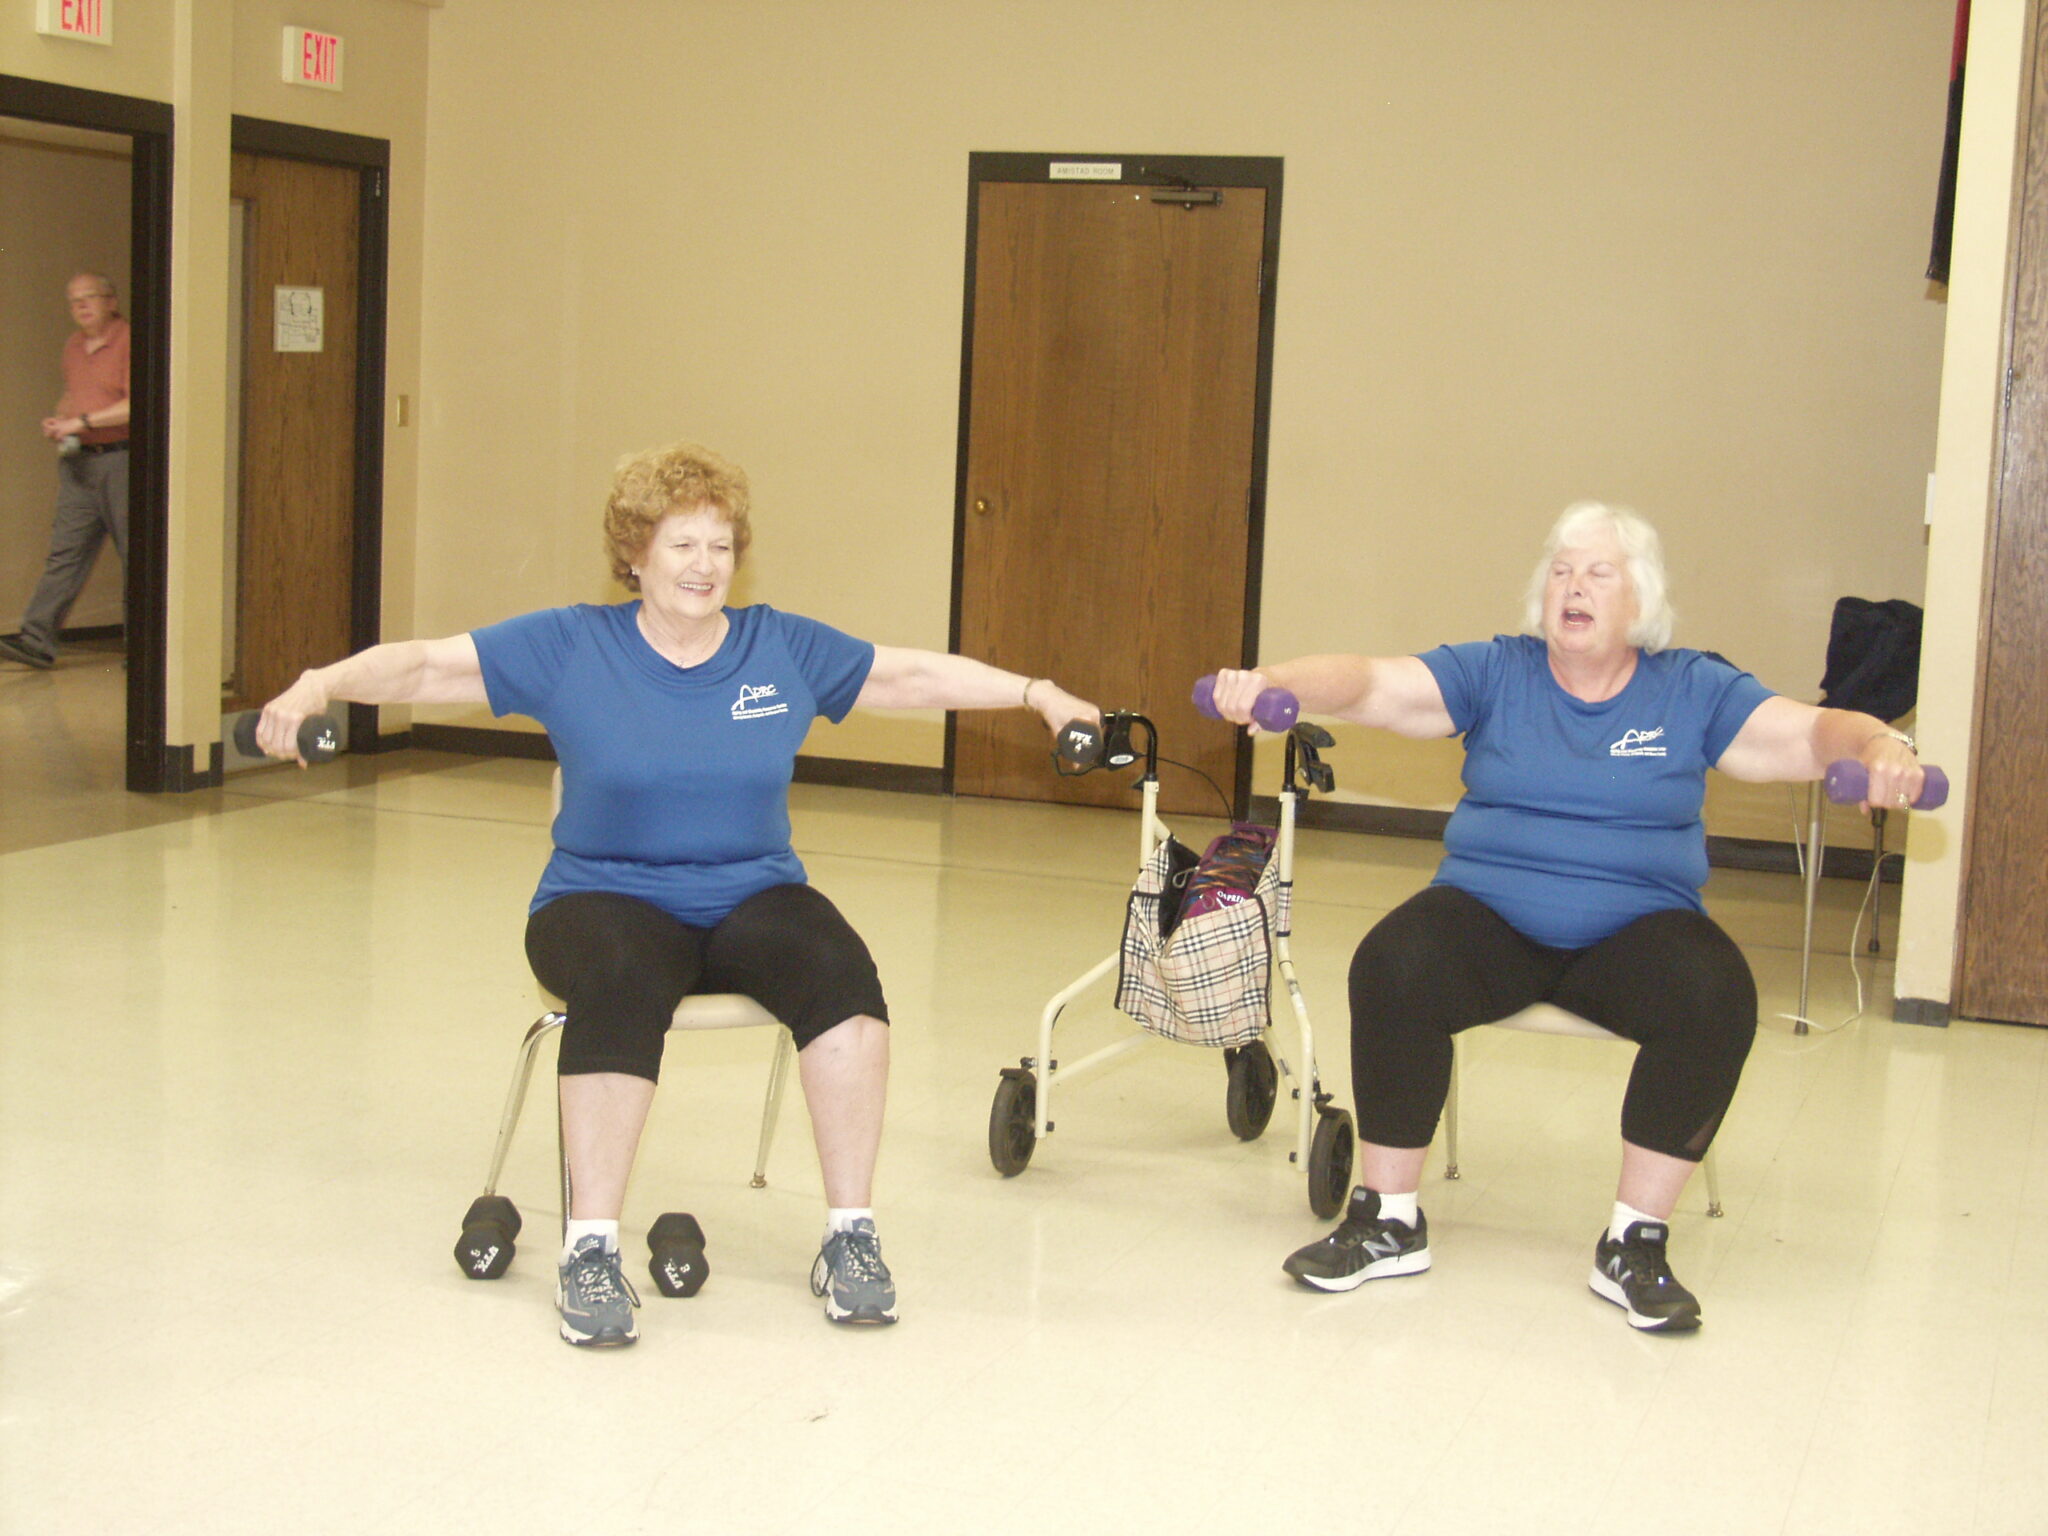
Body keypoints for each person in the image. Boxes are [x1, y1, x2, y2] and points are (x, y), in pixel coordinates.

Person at [249, 441, 1098, 1346]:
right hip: (598, 895)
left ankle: (850, 1238)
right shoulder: (573, 643)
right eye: (682, 545)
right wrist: (319, 684)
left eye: (721, 546)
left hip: (752, 892)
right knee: (618, 978)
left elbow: (908, 675)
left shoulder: (780, 647)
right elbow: (424, 667)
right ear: (635, 555)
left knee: (843, 980)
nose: (705, 566)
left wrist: (1037, 693)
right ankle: (589, 1251)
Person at [1207, 501, 1926, 1333]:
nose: (1573, 586)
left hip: (1637, 931)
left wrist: (1879, 747)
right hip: (1490, 916)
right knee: (1393, 961)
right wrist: (1276, 683)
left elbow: (1808, 734)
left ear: (1639, 604)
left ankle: (1635, 1243)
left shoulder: (1692, 688)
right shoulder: (1497, 672)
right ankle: (1388, 1219)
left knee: (1717, 994)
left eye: (1597, 572)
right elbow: (1370, 682)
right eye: (1560, 570)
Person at [0, 274, 132, 671]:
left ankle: (143, 647)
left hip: (121, 458)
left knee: (136, 555)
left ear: (110, 301)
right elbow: (74, 393)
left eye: (89, 298)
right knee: (65, 552)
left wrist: (84, 422)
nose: (81, 307)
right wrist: (61, 418)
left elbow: (140, 403)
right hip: (79, 462)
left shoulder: (130, 340)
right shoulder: (74, 346)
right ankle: (36, 639)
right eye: (73, 301)